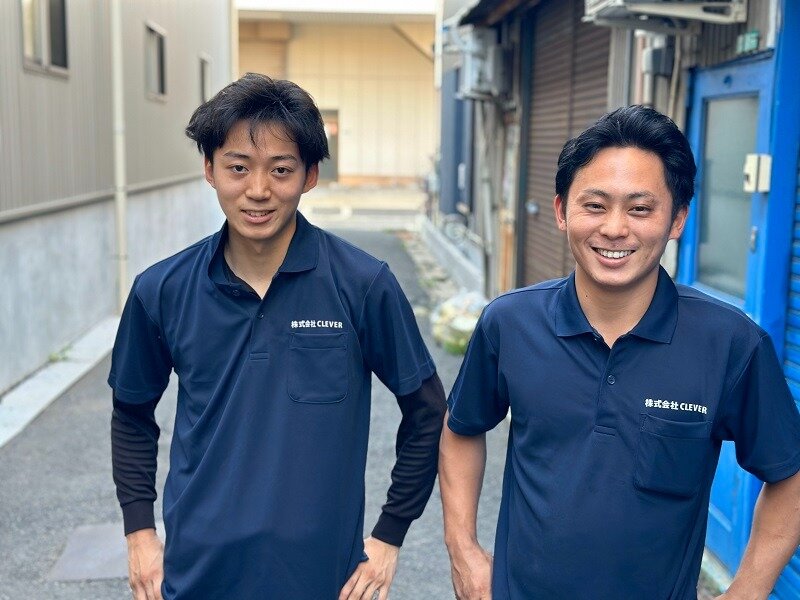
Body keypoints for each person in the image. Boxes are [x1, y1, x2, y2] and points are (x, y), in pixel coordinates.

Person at [439, 105, 800, 599]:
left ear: (677, 219)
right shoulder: (510, 323)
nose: (614, 228)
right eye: (594, 205)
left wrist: (748, 590)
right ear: (562, 211)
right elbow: (462, 428)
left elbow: (789, 474)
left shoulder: (730, 343)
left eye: (640, 209)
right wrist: (463, 550)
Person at [109, 73, 446, 600]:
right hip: (198, 572)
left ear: (310, 176)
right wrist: (139, 534)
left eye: (280, 169)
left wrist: (388, 536)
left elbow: (427, 411)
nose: (258, 190)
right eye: (238, 168)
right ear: (209, 170)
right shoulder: (162, 290)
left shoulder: (362, 284)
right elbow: (131, 413)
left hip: (324, 577)